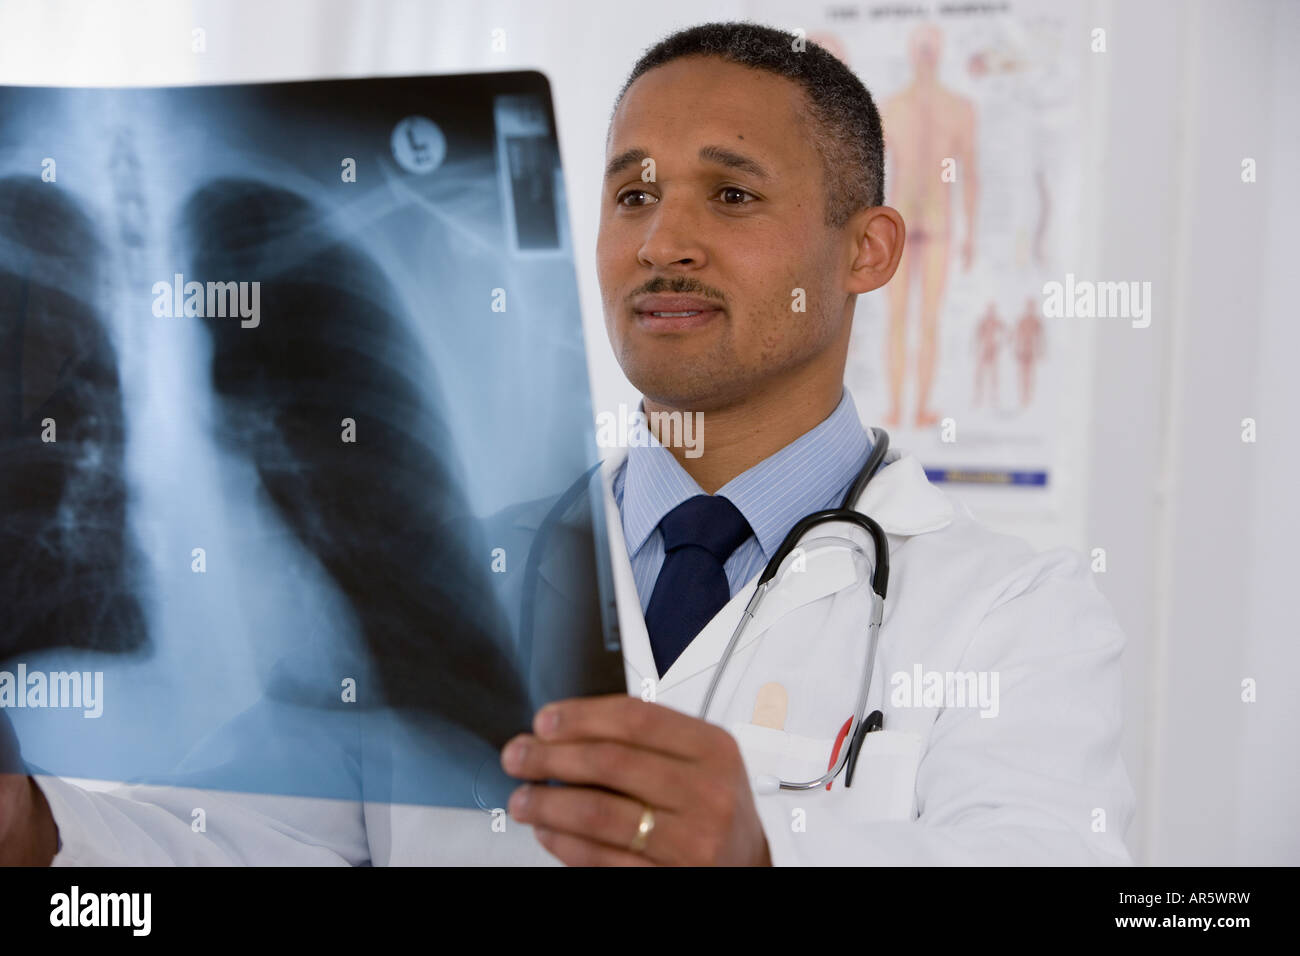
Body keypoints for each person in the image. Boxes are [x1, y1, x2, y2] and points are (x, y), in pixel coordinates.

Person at [0, 21, 1133, 866]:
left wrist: (768, 847)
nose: (664, 241)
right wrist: (47, 830)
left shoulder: (1016, 613)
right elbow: (246, 839)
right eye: (630, 195)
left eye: (730, 196)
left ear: (869, 249)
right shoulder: (473, 576)